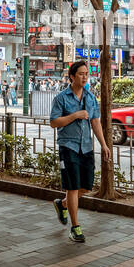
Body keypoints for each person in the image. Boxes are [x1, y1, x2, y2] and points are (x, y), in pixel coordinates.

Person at [48, 60, 111, 244]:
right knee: (73, 187)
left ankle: (63, 204)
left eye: (86, 74)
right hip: (68, 146)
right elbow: (53, 122)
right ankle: (75, 228)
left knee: (87, 185)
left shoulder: (90, 98)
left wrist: (104, 145)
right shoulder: (61, 98)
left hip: (86, 147)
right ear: (72, 77)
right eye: (81, 74)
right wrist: (74, 115)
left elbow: (96, 122)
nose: (84, 77)